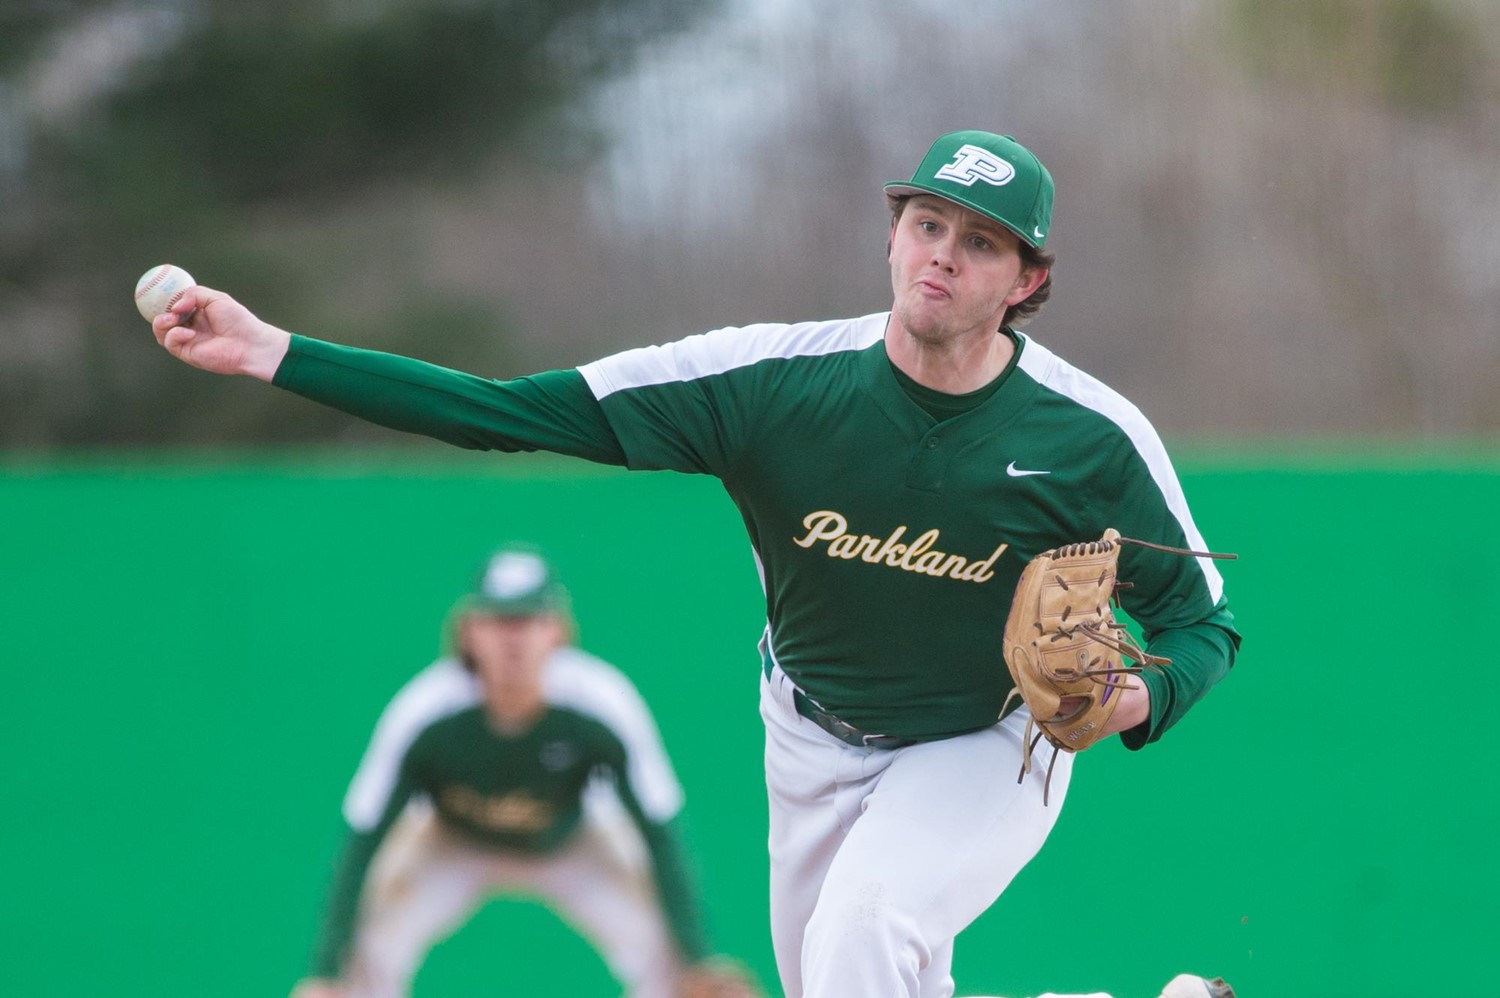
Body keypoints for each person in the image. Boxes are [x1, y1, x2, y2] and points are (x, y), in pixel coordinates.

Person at [152, 130, 1241, 998]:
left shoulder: (1089, 437)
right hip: (809, 735)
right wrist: (272, 350)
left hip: (983, 740)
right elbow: (505, 411)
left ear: (1028, 278)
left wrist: (1139, 695)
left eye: (983, 241)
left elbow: (1204, 623)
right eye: (927, 222)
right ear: (893, 235)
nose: (943, 254)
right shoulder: (768, 382)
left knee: (866, 930)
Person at [289, 544, 759, 998]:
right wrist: (324, 973)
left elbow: (660, 833)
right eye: (498, 619)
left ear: (557, 630)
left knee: (668, 952)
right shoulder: (424, 712)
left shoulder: (602, 703)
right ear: (469, 630)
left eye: (530, 618)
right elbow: (362, 839)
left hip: (571, 841)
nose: (513, 637)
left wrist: (700, 957)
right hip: (452, 842)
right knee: (366, 950)